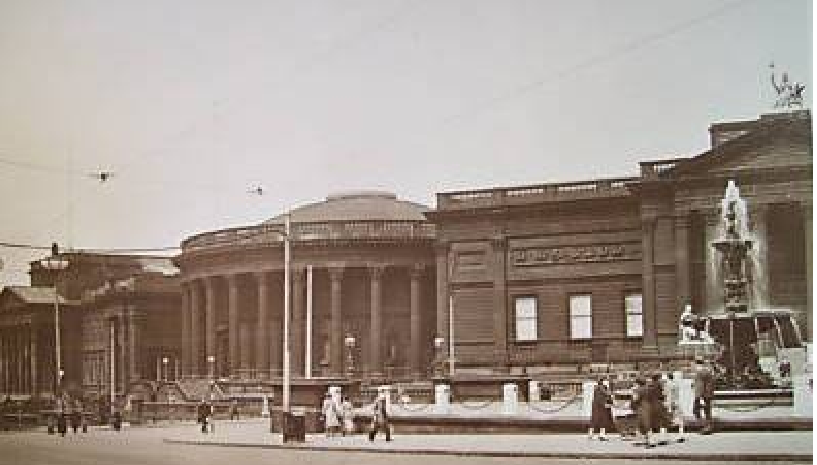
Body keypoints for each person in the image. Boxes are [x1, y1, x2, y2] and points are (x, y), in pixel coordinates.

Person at [693, 358, 715, 435]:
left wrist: (699, 397)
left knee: (696, 411)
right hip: (708, 395)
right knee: (707, 411)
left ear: (697, 364)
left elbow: (700, 386)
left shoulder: (699, 372)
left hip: (702, 395)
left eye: (694, 364)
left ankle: (704, 427)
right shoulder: (707, 371)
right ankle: (708, 427)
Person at [632, 377, 653, 448]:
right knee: (647, 423)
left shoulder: (638, 390)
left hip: (641, 407)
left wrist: (633, 393)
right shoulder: (648, 389)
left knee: (643, 424)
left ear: (638, 383)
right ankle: (647, 440)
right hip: (648, 406)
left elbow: (635, 399)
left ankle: (649, 441)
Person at [664, 372, 685, 443]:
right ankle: (681, 435)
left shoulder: (668, 385)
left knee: (666, 420)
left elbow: (667, 395)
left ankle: (665, 437)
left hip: (671, 403)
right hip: (677, 402)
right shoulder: (676, 384)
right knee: (680, 419)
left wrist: (669, 405)